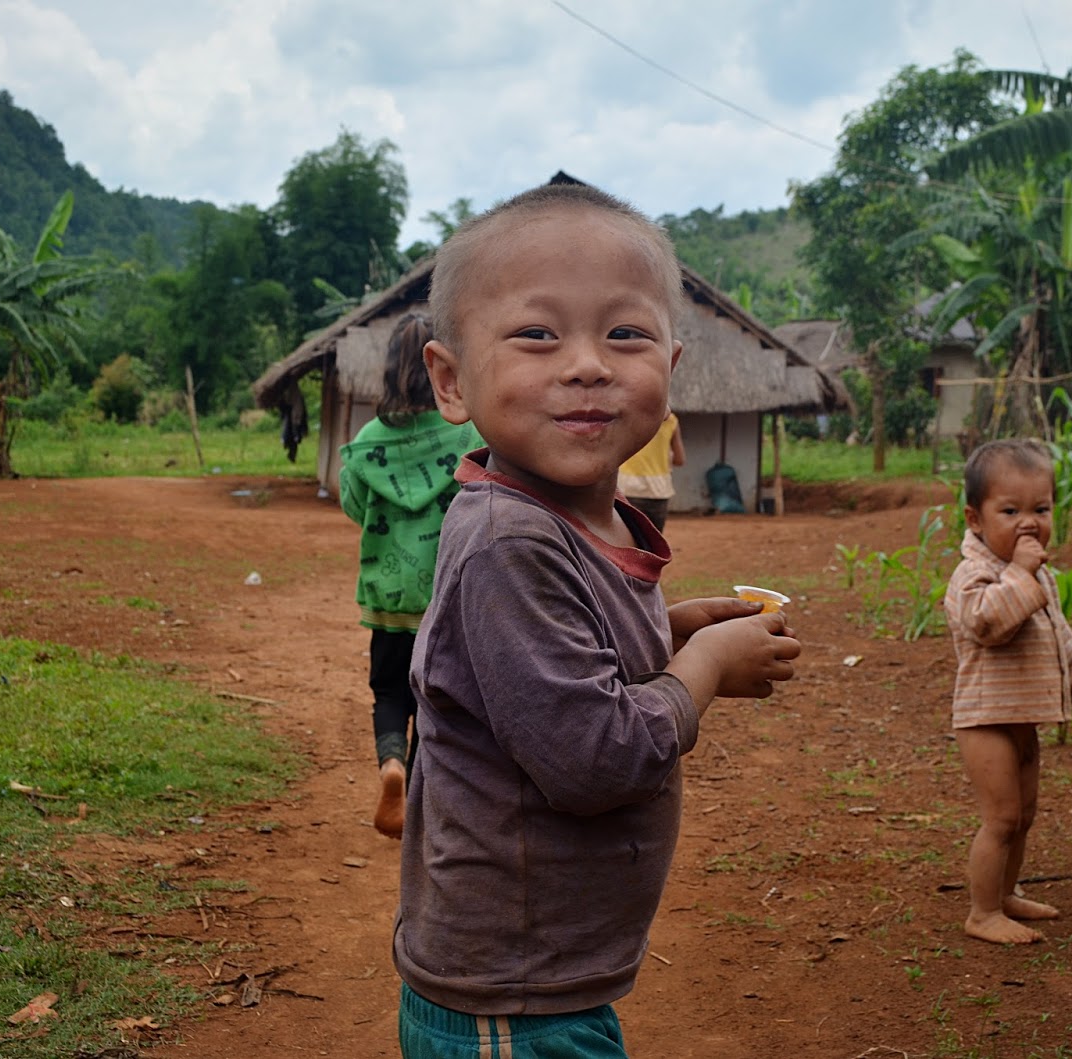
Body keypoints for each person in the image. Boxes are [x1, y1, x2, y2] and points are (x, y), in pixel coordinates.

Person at [396, 182, 803, 1057]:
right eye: (537, 334)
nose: (587, 363)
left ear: (672, 368)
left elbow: (578, 658)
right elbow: (592, 757)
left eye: (625, 333)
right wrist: (705, 671)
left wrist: (676, 631)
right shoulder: (509, 539)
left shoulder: (579, 517)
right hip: (509, 994)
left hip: (546, 975)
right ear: (451, 379)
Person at [943, 438, 1072, 945]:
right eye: (1010, 510)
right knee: (1001, 816)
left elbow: (1056, 629)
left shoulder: (1035, 576)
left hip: (1022, 714)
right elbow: (989, 623)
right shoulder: (974, 575)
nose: (1029, 522)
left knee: (1024, 815)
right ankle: (982, 912)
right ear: (975, 519)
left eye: (1041, 508)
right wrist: (1021, 573)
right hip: (984, 719)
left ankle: (1006, 894)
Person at [338, 313, 481, 840]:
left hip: (387, 596)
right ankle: (420, 801)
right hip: (447, 595)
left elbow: (355, 506)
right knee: (435, 697)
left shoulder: (368, 440)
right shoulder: (466, 430)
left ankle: (390, 765)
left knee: (390, 691)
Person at [617, 411, 685, 531]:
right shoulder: (671, 421)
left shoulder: (627, 416)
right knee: (653, 542)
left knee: (629, 539)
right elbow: (679, 460)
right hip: (658, 490)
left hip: (628, 487)